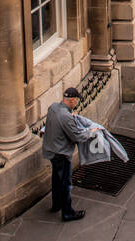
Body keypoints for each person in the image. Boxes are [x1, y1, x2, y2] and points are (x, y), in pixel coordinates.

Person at [42, 87, 98, 222]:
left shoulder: (53, 107)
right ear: (72, 100)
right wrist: (91, 131)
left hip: (51, 150)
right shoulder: (65, 116)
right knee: (65, 183)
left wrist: (70, 116)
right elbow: (77, 136)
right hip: (61, 153)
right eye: (77, 100)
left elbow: (60, 121)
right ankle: (67, 212)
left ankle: (56, 204)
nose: (77, 103)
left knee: (56, 179)